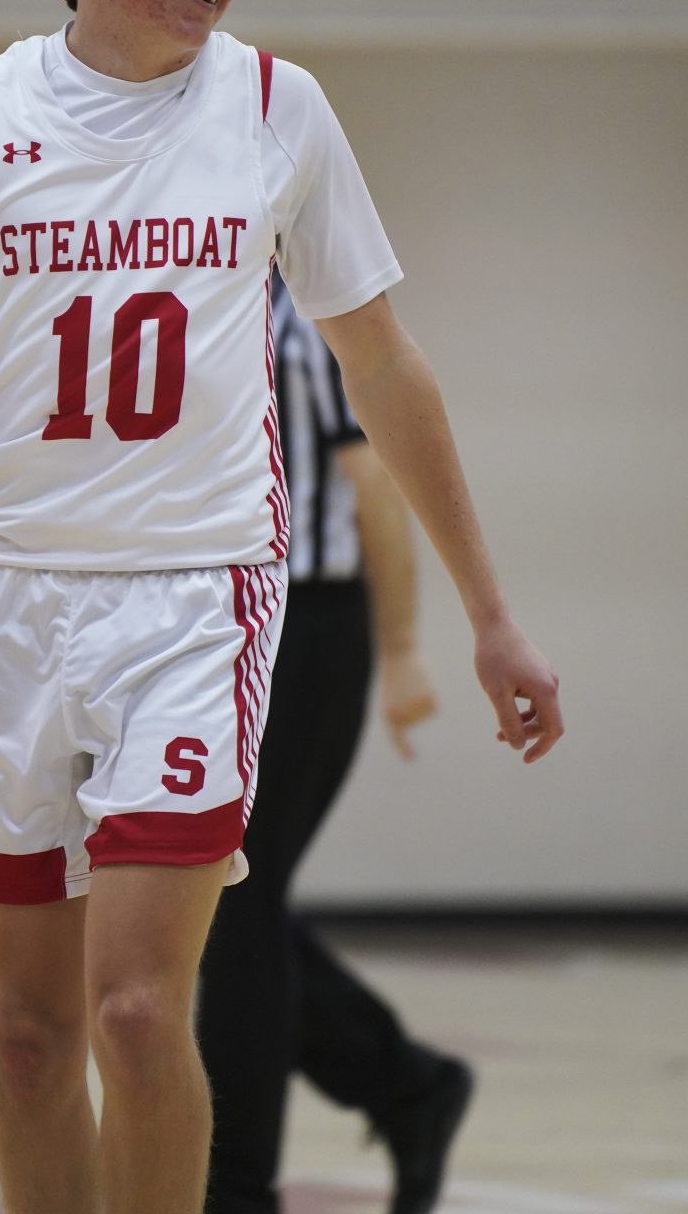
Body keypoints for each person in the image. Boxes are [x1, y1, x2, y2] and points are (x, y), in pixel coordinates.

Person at [0, 0, 562, 1214]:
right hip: (8, 605)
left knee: (133, 1012)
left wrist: (487, 617)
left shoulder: (275, 109)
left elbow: (384, 371)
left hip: (191, 599)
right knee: (26, 1034)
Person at [198, 271, 473, 1214]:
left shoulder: (298, 332)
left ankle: (237, 1186)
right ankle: (404, 1084)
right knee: (218, 903)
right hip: (218, 632)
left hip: (306, 633)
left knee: (229, 902)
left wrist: (400, 654)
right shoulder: (184, 314)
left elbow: (372, 485)